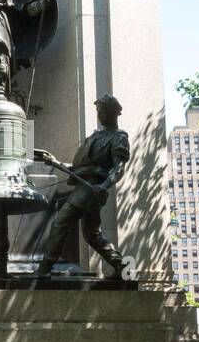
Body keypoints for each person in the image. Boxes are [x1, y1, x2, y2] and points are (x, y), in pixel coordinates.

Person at [33, 94, 131, 278]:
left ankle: (44, 269)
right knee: (91, 235)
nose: (100, 115)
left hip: (91, 189)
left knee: (59, 223)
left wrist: (104, 185)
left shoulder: (118, 138)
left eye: (103, 112)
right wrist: (56, 162)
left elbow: (118, 169)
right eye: (98, 112)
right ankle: (121, 266)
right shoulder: (95, 136)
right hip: (83, 187)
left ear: (114, 114)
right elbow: (78, 168)